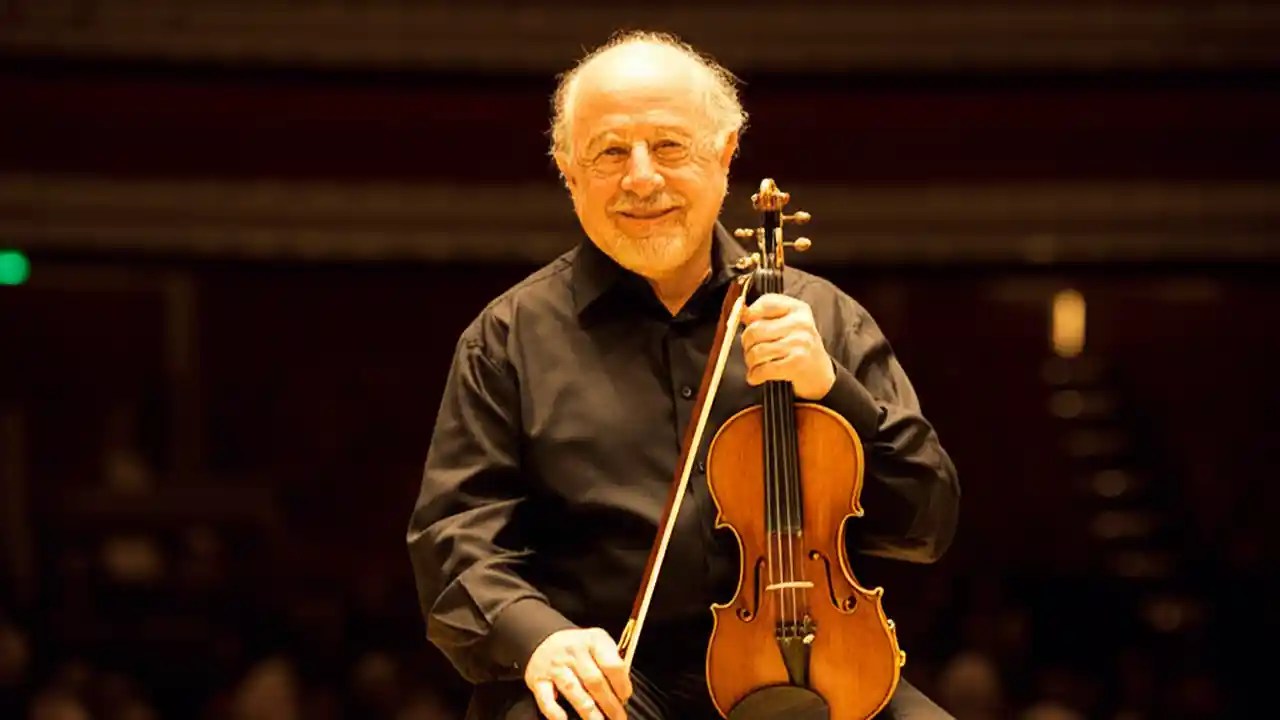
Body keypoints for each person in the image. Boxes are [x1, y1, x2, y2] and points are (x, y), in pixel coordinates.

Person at [407, 30, 961, 720]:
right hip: (612, 681)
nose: (642, 179)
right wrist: (542, 639)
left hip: (814, 663)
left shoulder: (821, 318)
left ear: (725, 153)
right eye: (610, 152)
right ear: (568, 171)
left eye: (669, 146)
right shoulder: (506, 340)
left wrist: (835, 392)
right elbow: (456, 544)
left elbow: (927, 522)